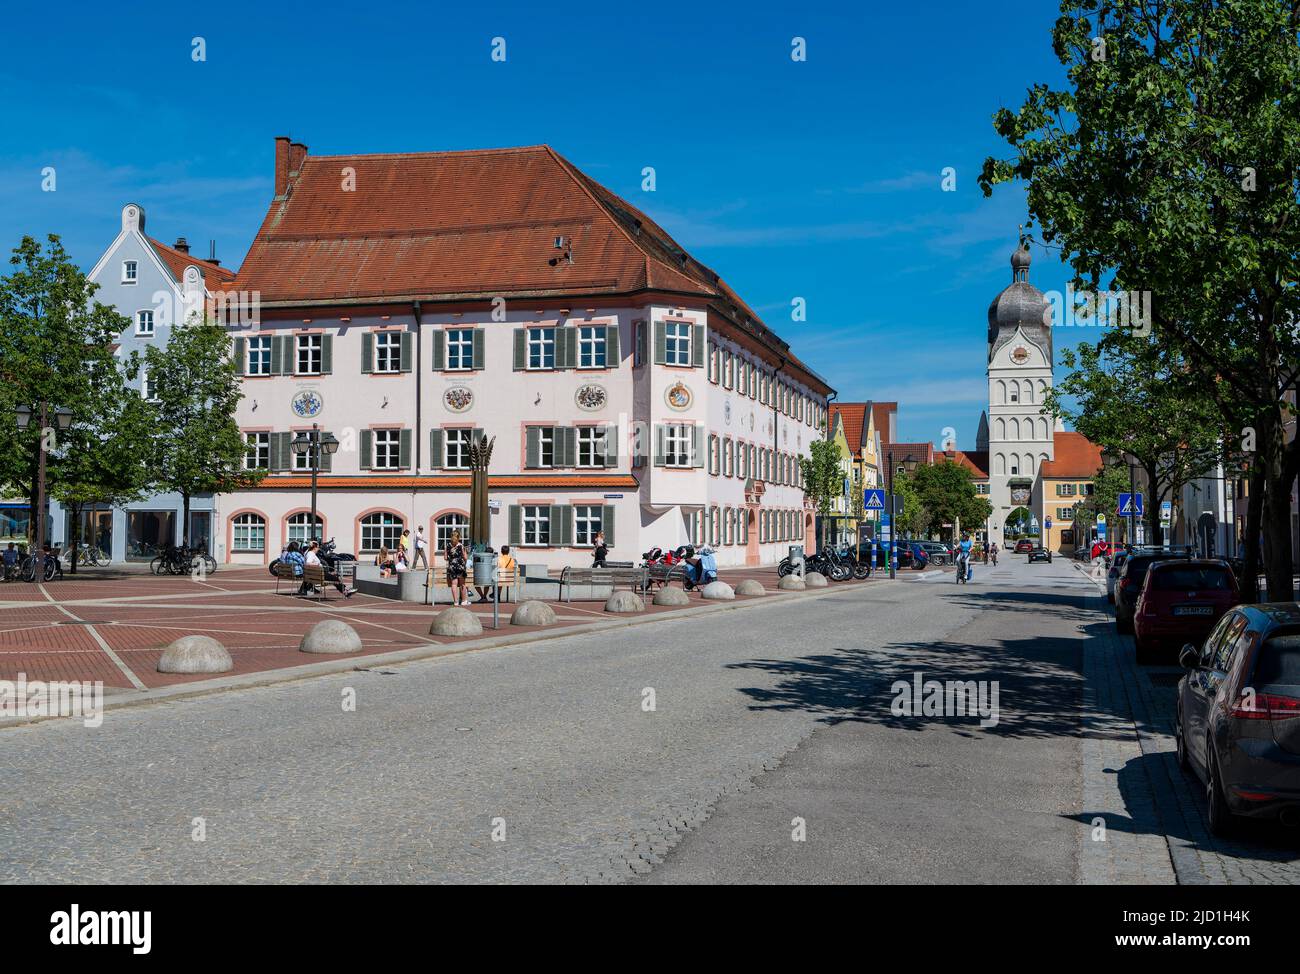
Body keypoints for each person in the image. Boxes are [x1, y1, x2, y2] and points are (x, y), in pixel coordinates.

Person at [445, 529, 468, 607]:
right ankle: (464, 601)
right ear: (459, 537)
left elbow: (445, 557)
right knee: (462, 584)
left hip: (452, 566)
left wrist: (451, 557)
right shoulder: (461, 545)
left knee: (454, 584)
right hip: (460, 566)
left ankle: (455, 601)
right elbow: (465, 557)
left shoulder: (447, 545)